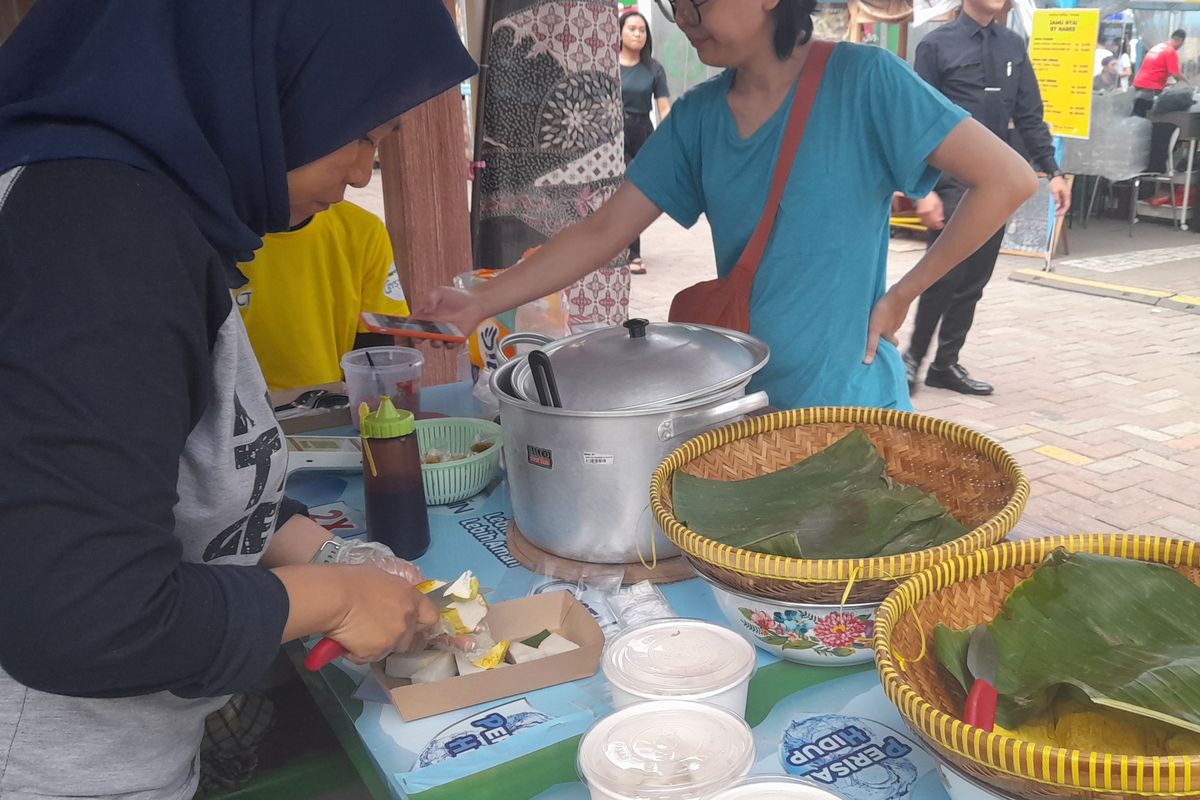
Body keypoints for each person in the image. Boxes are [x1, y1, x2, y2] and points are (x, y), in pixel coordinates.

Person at [0, 2, 475, 798]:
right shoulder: (97, 230)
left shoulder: (147, 210)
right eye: (364, 131)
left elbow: (159, 474)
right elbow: (86, 619)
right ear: (272, 75)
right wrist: (332, 597)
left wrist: (322, 551)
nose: (363, 172)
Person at [416, 0, 1036, 413]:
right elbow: (604, 229)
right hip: (739, 405)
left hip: (849, 407)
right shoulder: (698, 118)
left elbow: (1008, 179)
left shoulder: (865, 79)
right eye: (674, 5)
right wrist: (481, 302)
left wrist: (903, 294)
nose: (684, 16)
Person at [905, 0, 1071, 396]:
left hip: (997, 184)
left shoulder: (1013, 45)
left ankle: (946, 364)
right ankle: (913, 358)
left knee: (975, 279)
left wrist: (1053, 171)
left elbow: (1030, 114)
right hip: (952, 180)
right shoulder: (936, 45)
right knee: (942, 275)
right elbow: (916, 118)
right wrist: (923, 189)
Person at [236, 200, 410, 391]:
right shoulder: (213, 235)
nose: (359, 179)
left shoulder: (363, 229)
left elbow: (376, 350)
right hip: (236, 414)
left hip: (331, 406)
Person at [619, 10, 672, 275]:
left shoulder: (654, 69)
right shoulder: (609, 66)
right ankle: (621, 249)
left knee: (635, 192)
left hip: (642, 133)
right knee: (616, 192)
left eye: (642, 30)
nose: (638, 34)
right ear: (620, 32)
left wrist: (671, 138)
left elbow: (664, 107)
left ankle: (633, 251)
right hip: (613, 133)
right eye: (632, 29)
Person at [1132, 29, 1189, 117]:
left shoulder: (1159, 46)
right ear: (1181, 40)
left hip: (1139, 83)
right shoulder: (1170, 51)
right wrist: (1187, 86)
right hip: (1150, 88)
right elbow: (1175, 74)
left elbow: (1158, 67)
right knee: (1150, 114)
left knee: (1138, 111)